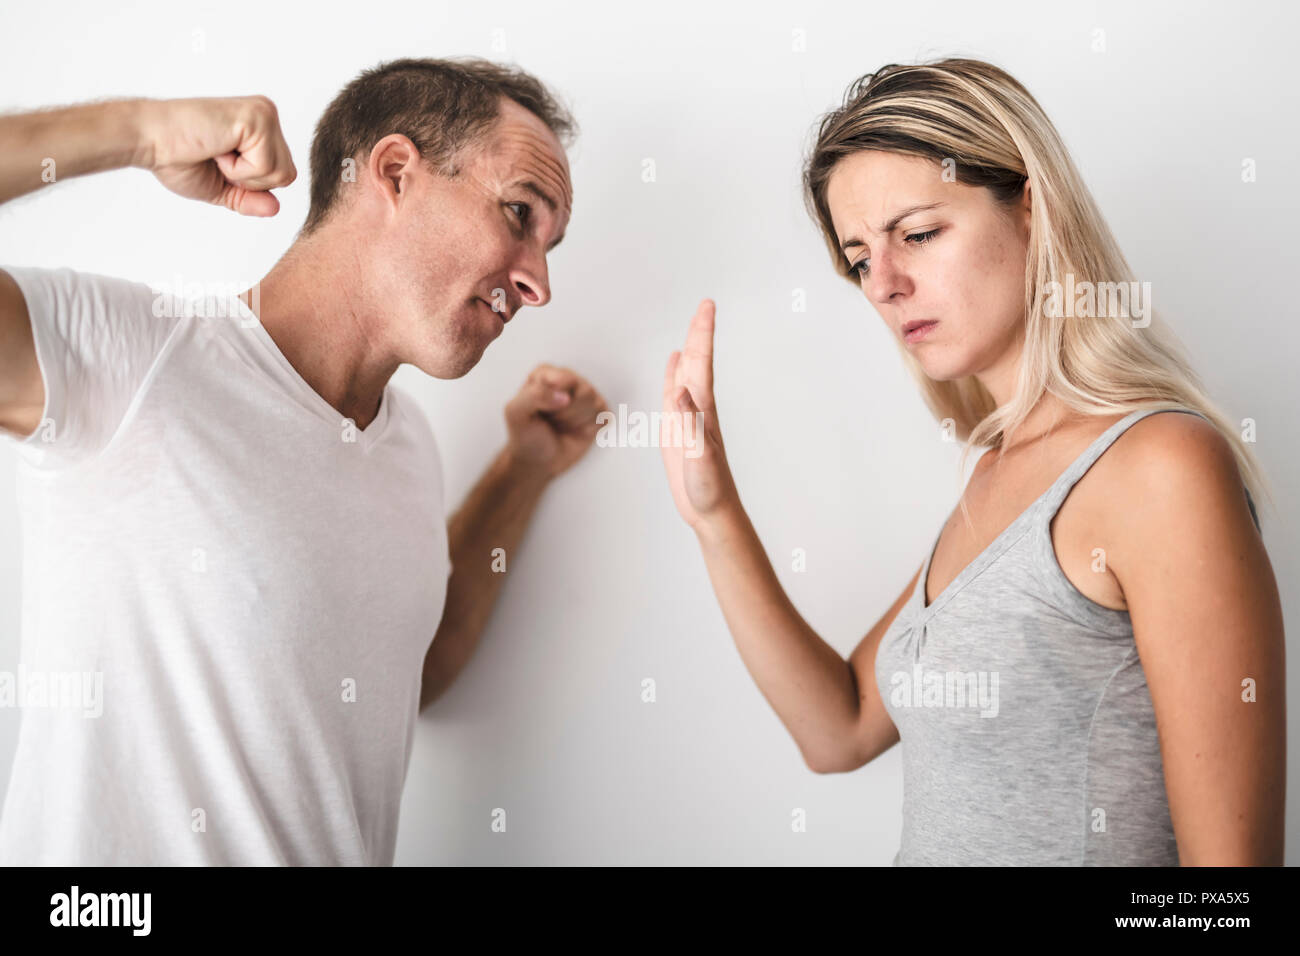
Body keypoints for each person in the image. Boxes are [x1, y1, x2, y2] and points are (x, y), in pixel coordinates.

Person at [659, 57, 1285, 865]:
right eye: (857, 259)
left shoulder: (1158, 468)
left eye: (916, 234)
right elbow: (839, 727)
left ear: (1031, 208)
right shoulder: (993, 474)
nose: (882, 283)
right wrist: (714, 516)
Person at [0, 57, 607, 865]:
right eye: (519, 214)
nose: (538, 283)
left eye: (550, 245)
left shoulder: (411, 446)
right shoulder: (131, 359)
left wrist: (521, 471)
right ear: (394, 172)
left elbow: (408, 667)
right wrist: (146, 132)